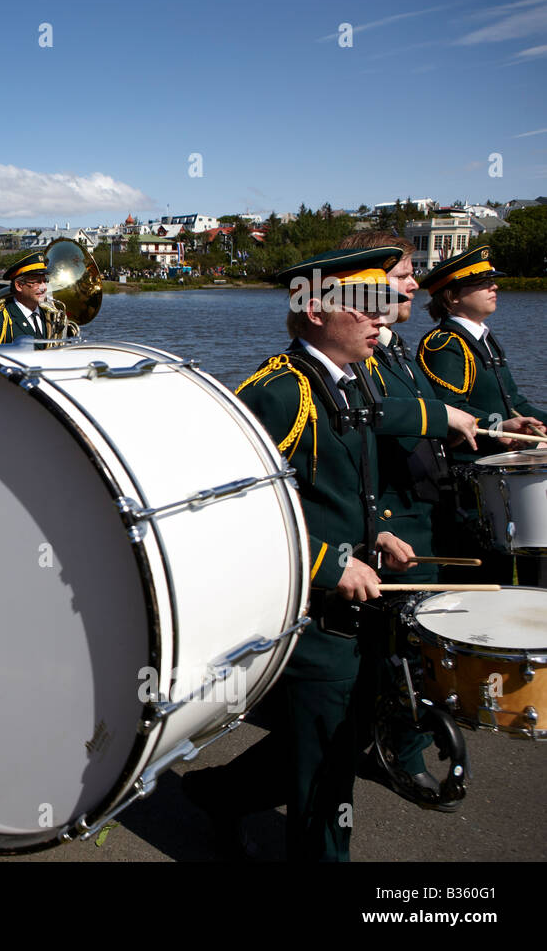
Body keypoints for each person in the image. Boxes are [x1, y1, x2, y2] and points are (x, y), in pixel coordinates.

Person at [182, 247, 442, 861]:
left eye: (387, 302)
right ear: (317, 310)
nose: (385, 317)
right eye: (368, 305)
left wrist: (373, 533)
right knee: (327, 781)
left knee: (336, 742)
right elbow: (226, 510)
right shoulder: (276, 391)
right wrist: (331, 563)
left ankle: (221, 794)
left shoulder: (359, 379)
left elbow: (341, 488)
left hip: (354, 610)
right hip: (308, 617)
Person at [336, 232, 478, 811]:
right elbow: (363, 412)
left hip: (423, 505)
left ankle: (394, 741)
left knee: (410, 650)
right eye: (401, 275)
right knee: (400, 652)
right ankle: (403, 755)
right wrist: (437, 412)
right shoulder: (357, 348)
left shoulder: (396, 346)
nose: (414, 284)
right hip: (391, 515)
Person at [416, 244, 547, 585]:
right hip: (468, 482)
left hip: (493, 477)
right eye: (483, 283)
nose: (495, 287)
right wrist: (498, 425)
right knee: (487, 576)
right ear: (453, 296)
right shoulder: (444, 343)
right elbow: (446, 407)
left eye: (493, 281)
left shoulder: (484, 340)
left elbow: (514, 401)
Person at [0, 251, 49, 344]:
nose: (44, 288)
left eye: (45, 281)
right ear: (19, 286)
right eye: (37, 282)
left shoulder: (49, 316)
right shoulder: (0, 321)